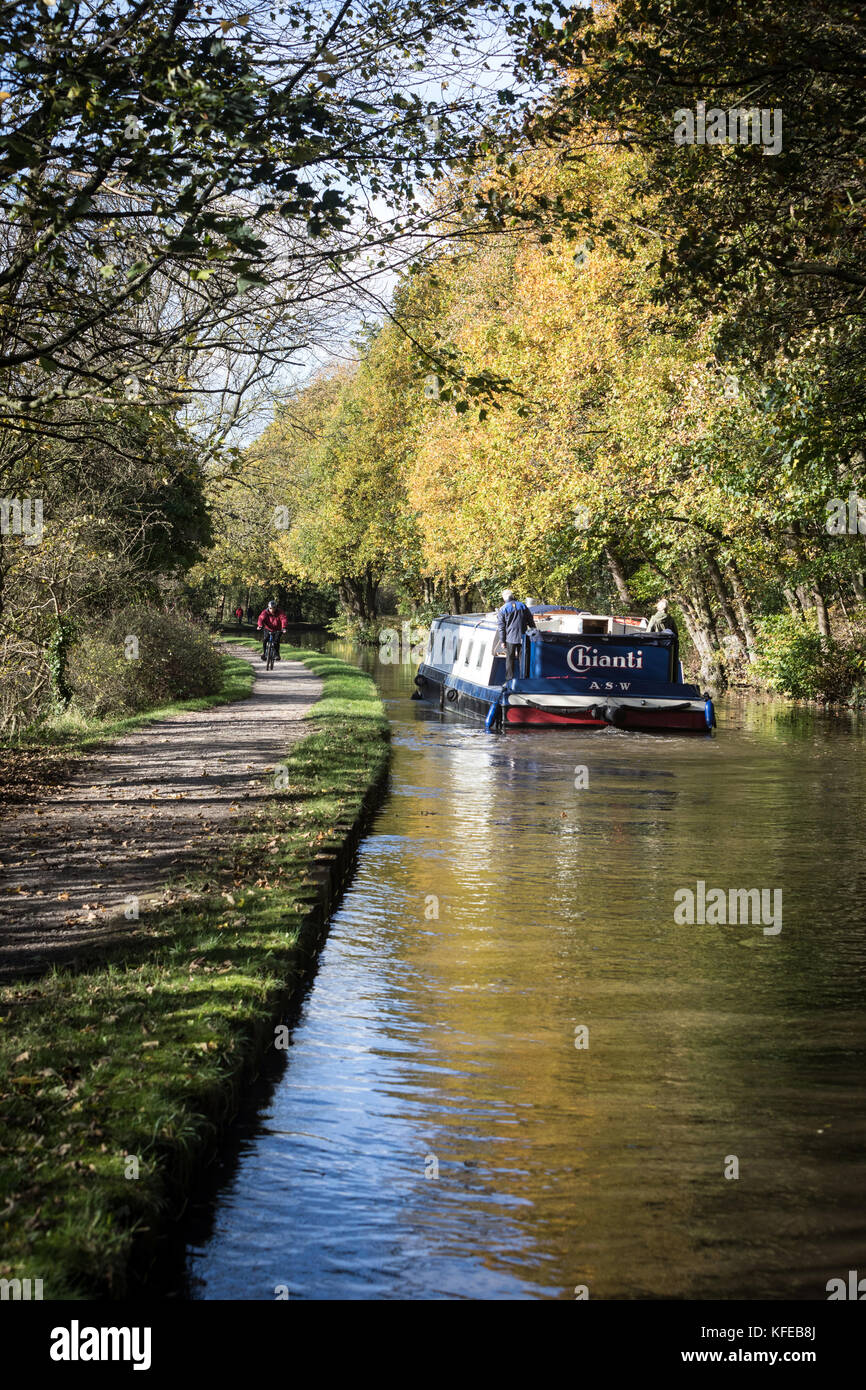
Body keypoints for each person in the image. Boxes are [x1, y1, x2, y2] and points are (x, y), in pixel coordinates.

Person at [495, 588, 536, 681]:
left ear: (504, 598)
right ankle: (524, 679)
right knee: (523, 659)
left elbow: (501, 627)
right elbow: (530, 621)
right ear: (512, 596)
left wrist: (502, 640)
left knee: (510, 659)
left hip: (510, 638)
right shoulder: (522, 606)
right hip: (523, 637)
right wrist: (534, 631)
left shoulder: (503, 609)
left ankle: (509, 680)